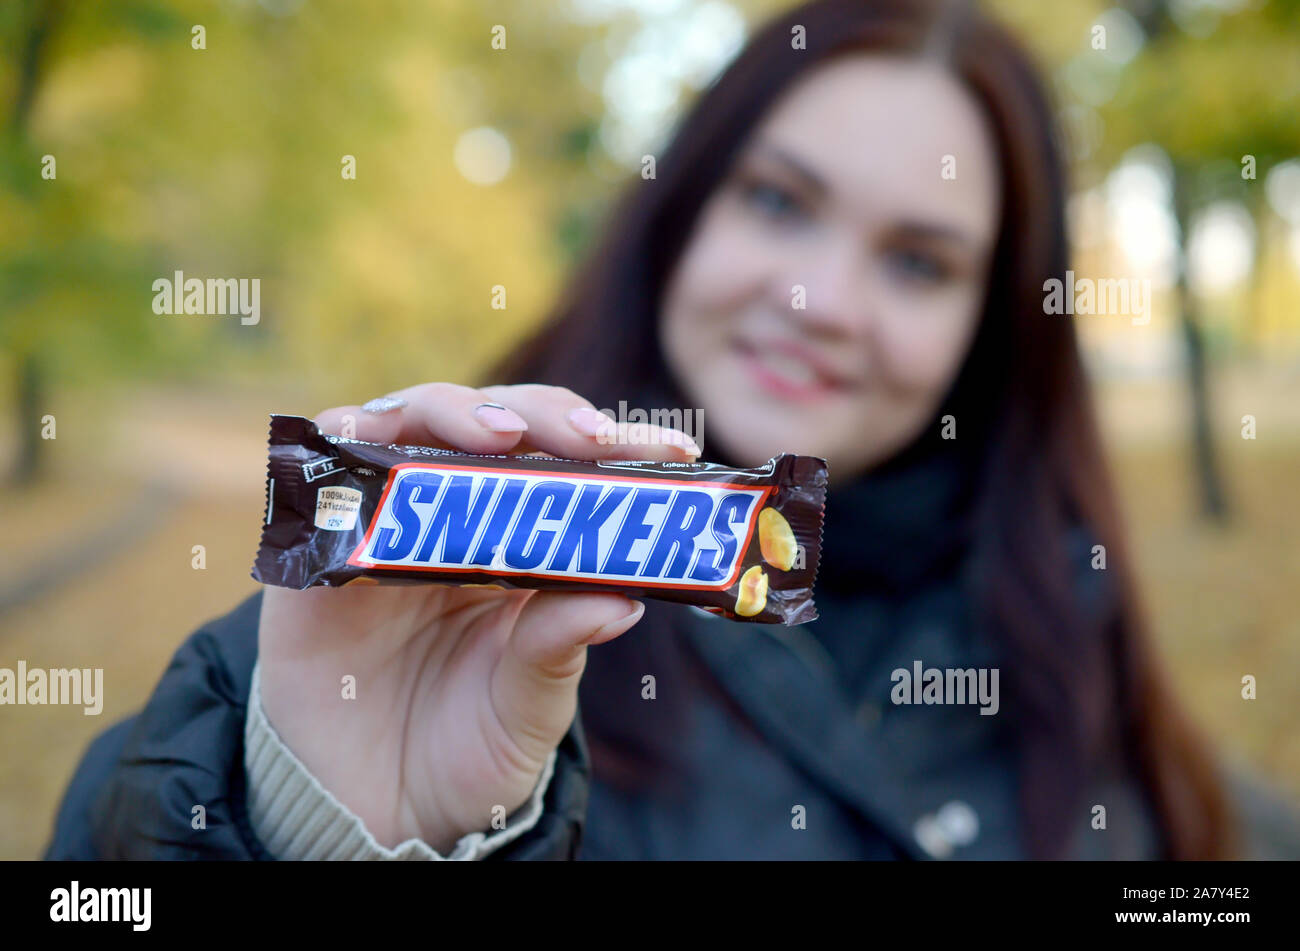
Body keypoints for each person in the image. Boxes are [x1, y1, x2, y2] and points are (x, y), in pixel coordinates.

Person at [45, 0, 1299, 861]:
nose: (818, 303)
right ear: (682, 212)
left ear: (993, 329)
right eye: (777, 199)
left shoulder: (1075, 667)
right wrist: (321, 829)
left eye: (918, 263)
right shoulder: (385, 620)